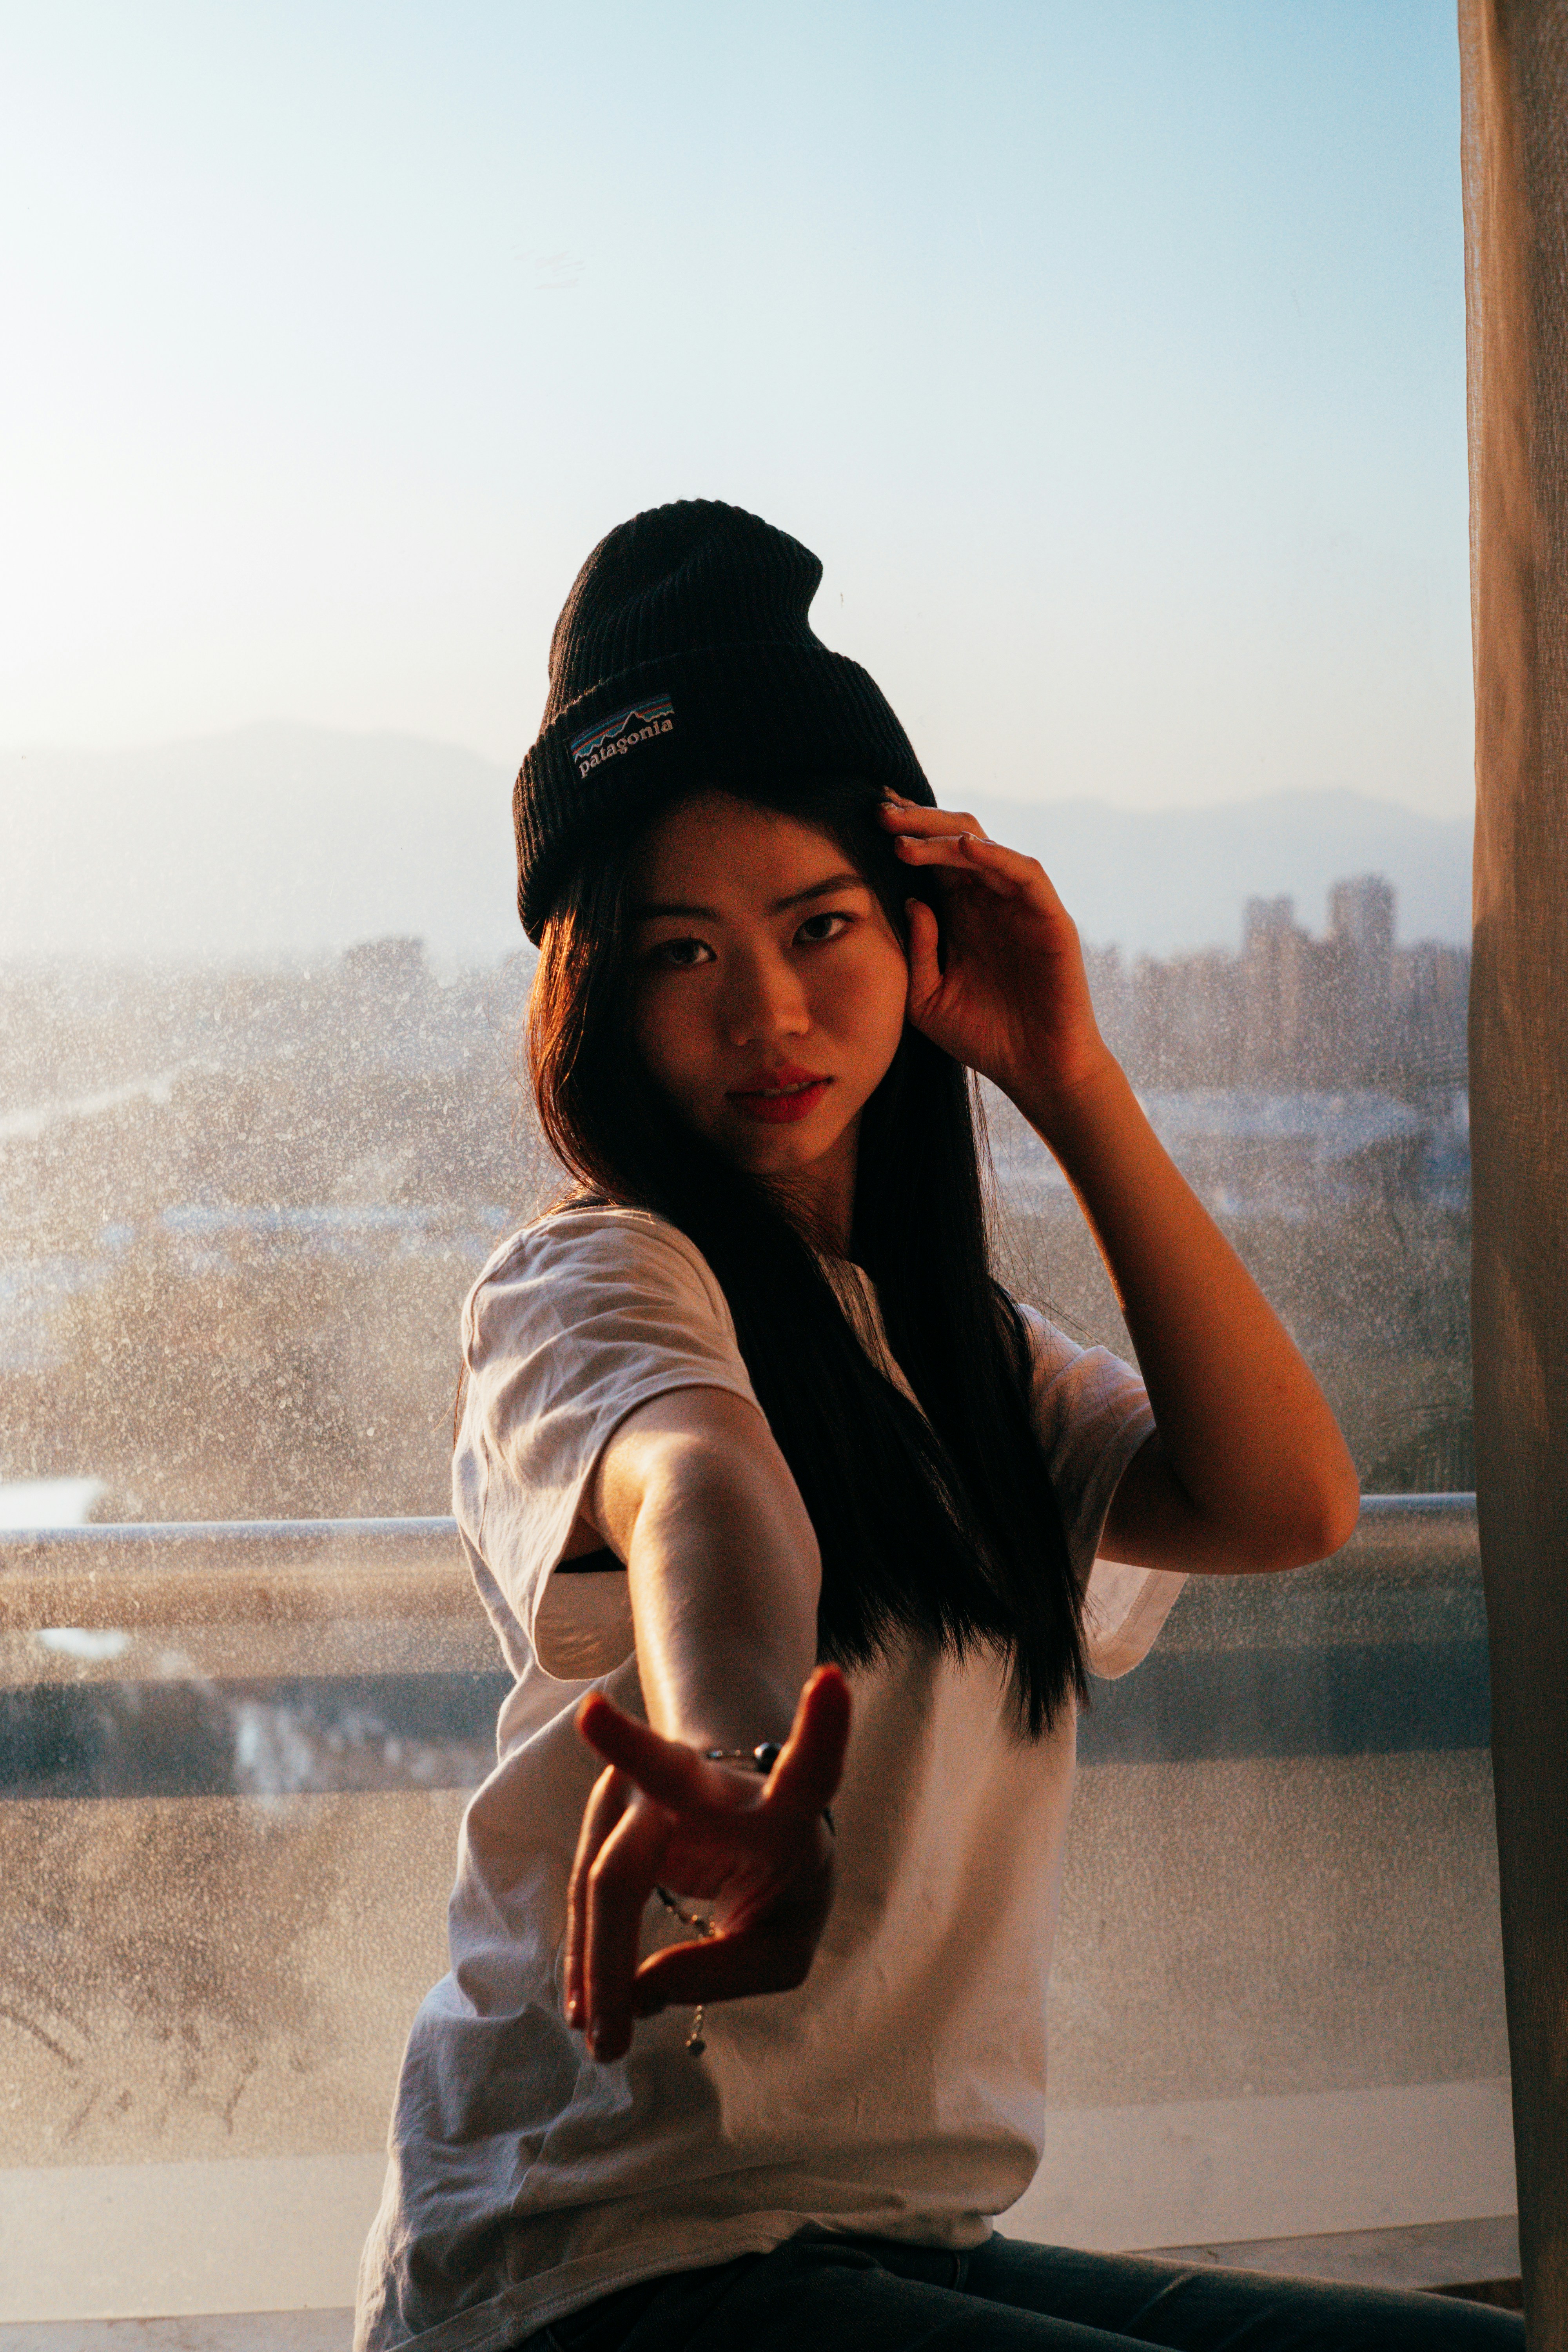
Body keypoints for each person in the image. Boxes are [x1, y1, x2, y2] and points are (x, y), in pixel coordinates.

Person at [355, 501, 1518, 2351]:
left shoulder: (970, 1355)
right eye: (678, 953)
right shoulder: (591, 1283)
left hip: (904, 2230)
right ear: (591, 996)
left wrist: (1066, 1068)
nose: (771, 1011)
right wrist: (737, 1763)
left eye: (821, 926)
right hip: (599, 2261)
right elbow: (703, 1490)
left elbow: (1286, 1498)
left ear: (917, 936)